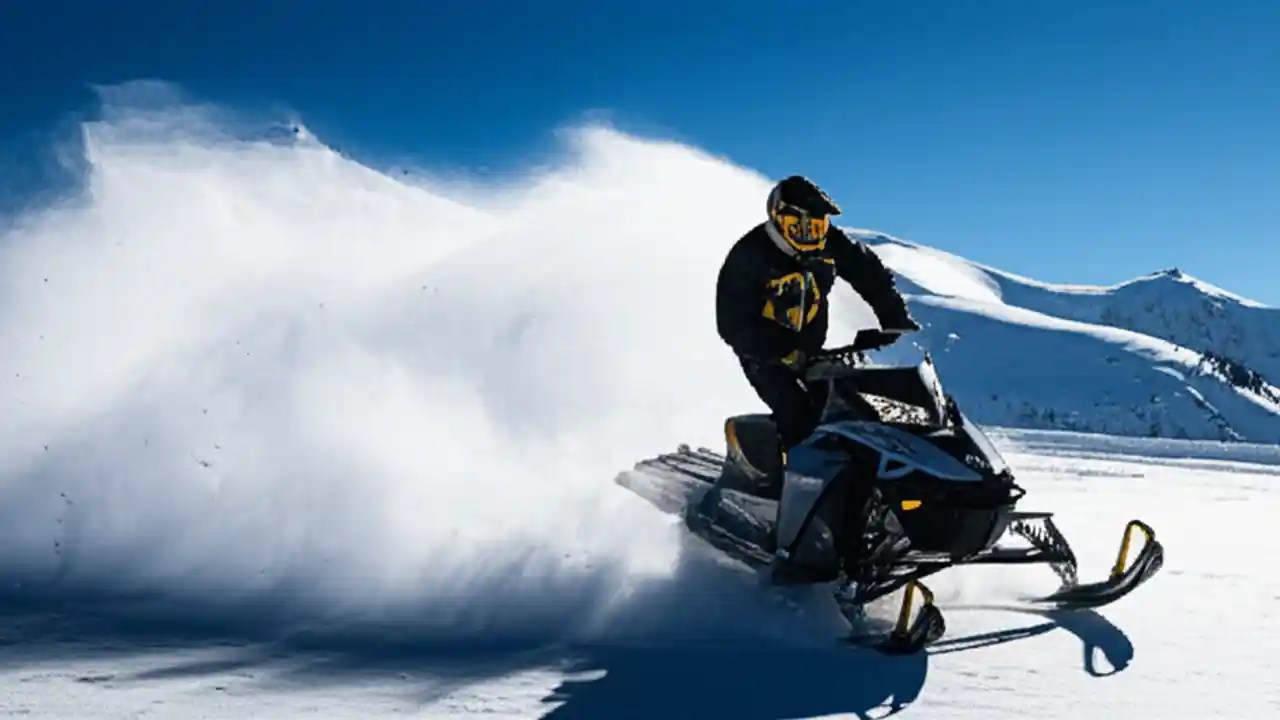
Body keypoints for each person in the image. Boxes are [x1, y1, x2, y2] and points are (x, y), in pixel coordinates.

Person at [715, 175, 918, 449]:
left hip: (812, 348)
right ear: (777, 219)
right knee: (798, 417)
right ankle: (791, 483)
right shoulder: (749, 256)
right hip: (763, 355)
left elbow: (869, 273)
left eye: (816, 226)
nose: (808, 234)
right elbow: (731, 322)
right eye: (797, 226)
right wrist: (778, 351)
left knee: (854, 411)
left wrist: (894, 318)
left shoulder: (830, 243)